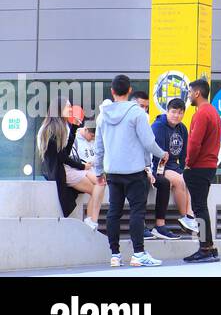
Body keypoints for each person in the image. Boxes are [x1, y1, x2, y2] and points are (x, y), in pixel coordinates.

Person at [92, 75, 169, 268]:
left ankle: (115, 255)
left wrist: (99, 171)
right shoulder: (138, 114)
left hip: (113, 173)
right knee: (137, 212)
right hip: (134, 172)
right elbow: (148, 142)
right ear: (129, 90)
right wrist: (162, 154)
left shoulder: (102, 116)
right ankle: (138, 254)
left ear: (112, 91)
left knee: (113, 212)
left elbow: (99, 147)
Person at [37, 97, 104, 228]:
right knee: (95, 187)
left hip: (64, 168)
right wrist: (82, 166)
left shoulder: (60, 127)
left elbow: (64, 153)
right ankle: (90, 221)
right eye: (68, 107)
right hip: (61, 171)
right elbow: (62, 157)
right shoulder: (52, 129)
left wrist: (73, 128)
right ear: (59, 109)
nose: (70, 109)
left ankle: (92, 221)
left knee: (100, 183)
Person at [182, 77, 221, 263]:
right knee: (201, 207)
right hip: (209, 166)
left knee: (199, 208)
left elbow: (195, 142)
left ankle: (205, 248)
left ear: (197, 93)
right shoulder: (213, 112)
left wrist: (188, 162)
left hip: (198, 167)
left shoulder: (201, 114)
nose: (188, 96)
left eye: (190, 92)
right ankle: (210, 246)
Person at [150, 98, 200, 239]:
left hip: (173, 165)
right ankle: (185, 216)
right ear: (167, 111)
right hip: (158, 166)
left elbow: (184, 154)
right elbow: (157, 154)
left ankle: (189, 216)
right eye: (173, 112)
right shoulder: (158, 126)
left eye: (180, 113)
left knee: (190, 179)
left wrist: (187, 169)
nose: (176, 115)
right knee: (179, 181)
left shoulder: (182, 128)